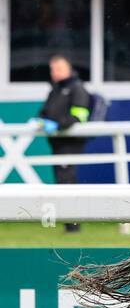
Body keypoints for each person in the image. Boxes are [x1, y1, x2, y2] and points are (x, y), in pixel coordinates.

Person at [33, 55, 92, 233]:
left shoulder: (77, 88)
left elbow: (79, 116)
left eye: (58, 69)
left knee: (67, 181)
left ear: (68, 69)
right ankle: (69, 224)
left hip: (71, 142)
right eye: (53, 69)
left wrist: (57, 124)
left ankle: (73, 226)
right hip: (57, 142)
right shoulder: (55, 90)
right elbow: (43, 113)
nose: (55, 73)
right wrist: (42, 122)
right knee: (61, 181)